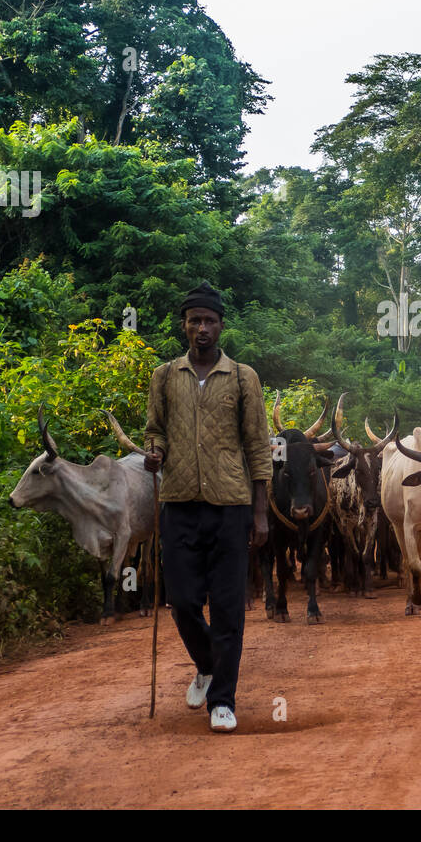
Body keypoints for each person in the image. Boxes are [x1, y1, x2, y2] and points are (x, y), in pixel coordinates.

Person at [144, 282, 270, 732]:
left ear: (221, 326)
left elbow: (257, 445)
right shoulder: (164, 376)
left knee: (229, 606)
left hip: (230, 506)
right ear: (184, 326)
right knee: (181, 601)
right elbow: (154, 430)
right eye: (194, 320)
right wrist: (154, 452)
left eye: (209, 321)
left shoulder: (243, 377)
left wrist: (259, 512)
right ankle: (206, 664)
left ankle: (223, 701)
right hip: (178, 501)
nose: (202, 328)